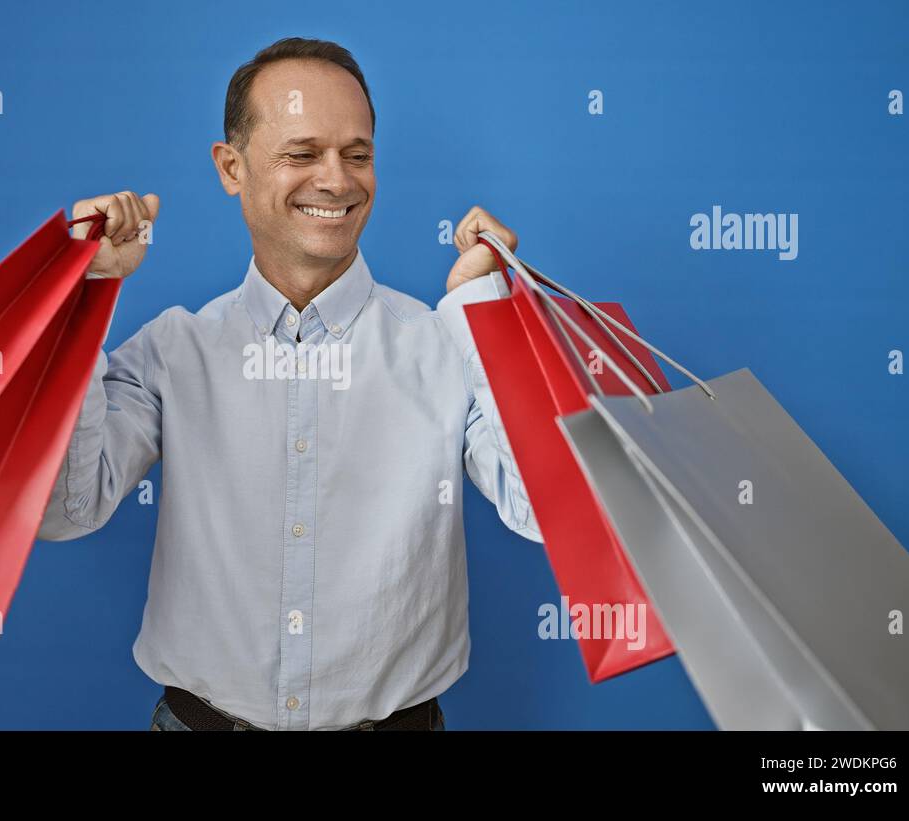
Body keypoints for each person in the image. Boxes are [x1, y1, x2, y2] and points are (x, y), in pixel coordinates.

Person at [38, 36, 542, 731]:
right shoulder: (174, 349)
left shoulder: (445, 342)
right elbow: (66, 509)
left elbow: (541, 511)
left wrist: (487, 316)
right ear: (231, 167)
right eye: (302, 154)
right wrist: (85, 294)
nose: (336, 180)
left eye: (357, 154)